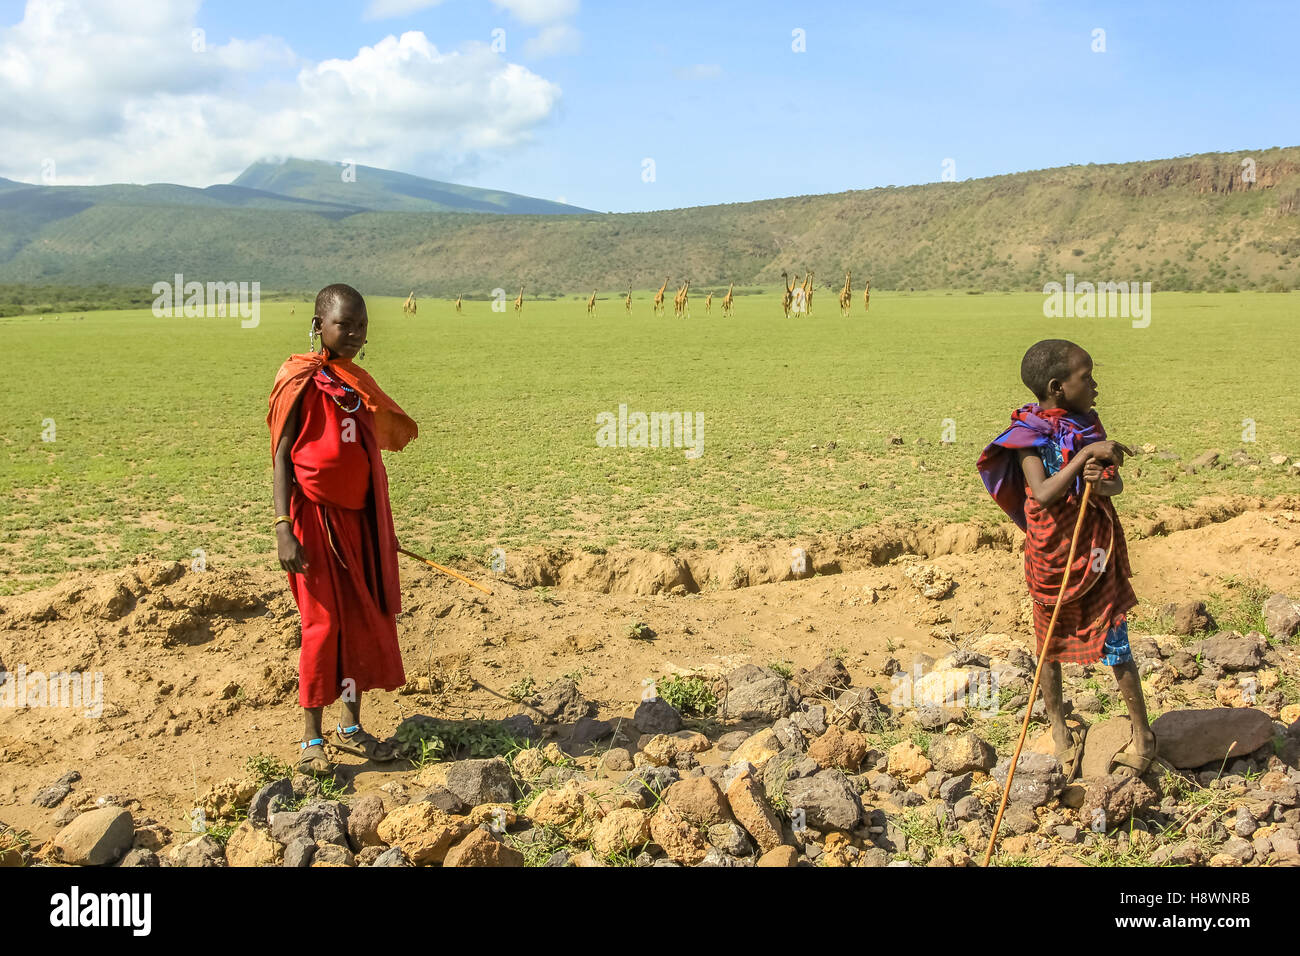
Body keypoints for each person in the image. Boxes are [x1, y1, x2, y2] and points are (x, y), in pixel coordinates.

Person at [976, 339, 1159, 781]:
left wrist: (1100, 480)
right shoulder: (1028, 437)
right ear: (1058, 387)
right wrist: (1081, 460)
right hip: (1051, 555)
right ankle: (1059, 730)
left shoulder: (1089, 426)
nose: (1095, 385)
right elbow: (1041, 493)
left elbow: (1113, 489)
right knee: (1049, 648)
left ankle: (1144, 735)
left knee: (1116, 640)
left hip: (1094, 553)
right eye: (1087, 377)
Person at [267, 283, 418, 773]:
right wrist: (282, 526)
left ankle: (350, 725)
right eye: (343, 324)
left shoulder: (354, 382)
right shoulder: (299, 380)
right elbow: (281, 458)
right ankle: (311, 735)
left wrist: (379, 528)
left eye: (361, 325)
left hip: (359, 522)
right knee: (323, 623)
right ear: (319, 326)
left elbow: (367, 450)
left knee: (360, 619)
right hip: (310, 521)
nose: (353, 333)